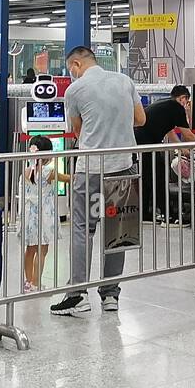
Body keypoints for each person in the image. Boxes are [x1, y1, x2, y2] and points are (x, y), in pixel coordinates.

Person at [51, 45, 145, 317]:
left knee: (83, 229)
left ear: (77, 65)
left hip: (91, 171)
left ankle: (77, 294)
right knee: (118, 231)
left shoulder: (75, 91)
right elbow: (140, 119)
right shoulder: (125, 81)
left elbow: (78, 131)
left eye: (72, 70)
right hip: (123, 170)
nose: (72, 74)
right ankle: (110, 296)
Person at [136, 84, 195, 224]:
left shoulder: (164, 104)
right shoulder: (176, 108)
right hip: (148, 144)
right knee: (159, 178)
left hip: (140, 142)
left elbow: (169, 131)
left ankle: (145, 214)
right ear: (183, 98)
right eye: (186, 102)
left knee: (147, 179)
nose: (186, 105)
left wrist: (181, 148)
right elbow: (187, 134)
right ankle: (168, 216)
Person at [22, 135, 69, 292]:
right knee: (42, 251)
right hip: (45, 216)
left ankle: (28, 282)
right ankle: (36, 283)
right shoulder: (49, 172)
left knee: (30, 250)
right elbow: (69, 179)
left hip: (29, 215)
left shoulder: (26, 171)